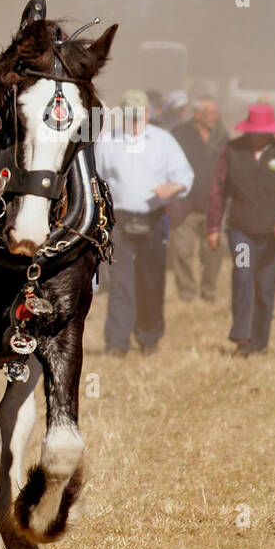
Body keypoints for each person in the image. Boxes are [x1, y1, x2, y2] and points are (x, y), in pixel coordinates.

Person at [94, 90, 193, 355]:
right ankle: (117, 342)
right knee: (120, 282)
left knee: (151, 280)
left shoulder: (164, 141)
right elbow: (97, 179)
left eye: (139, 115)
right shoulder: (107, 142)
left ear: (148, 114)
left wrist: (173, 187)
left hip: (154, 218)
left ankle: (149, 338)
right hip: (119, 219)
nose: (134, 120)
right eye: (129, 115)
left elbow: (185, 174)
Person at [206, 104, 275, 355]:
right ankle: (243, 338)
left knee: (266, 288)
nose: (259, 136)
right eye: (255, 131)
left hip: (271, 234)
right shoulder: (232, 151)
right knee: (243, 275)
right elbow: (217, 191)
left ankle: (259, 342)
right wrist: (213, 227)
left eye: (263, 131)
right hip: (241, 231)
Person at [167, 95, 227, 302]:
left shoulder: (221, 136)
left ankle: (209, 291)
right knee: (182, 252)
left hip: (215, 205)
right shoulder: (180, 134)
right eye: (210, 113)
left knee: (214, 252)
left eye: (216, 113)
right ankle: (187, 294)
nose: (215, 117)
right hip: (186, 205)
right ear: (197, 114)